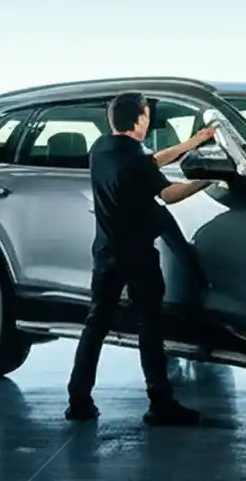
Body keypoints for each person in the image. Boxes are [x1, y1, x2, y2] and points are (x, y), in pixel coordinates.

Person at [65, 91, 218, 426]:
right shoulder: (136, 160)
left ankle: (78, 399)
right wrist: (208, 179)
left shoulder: (101, 150)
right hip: (137, 257)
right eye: (147, 114)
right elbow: (168, 193)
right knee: (150, 327)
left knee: (96, 325)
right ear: (140, 118)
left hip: (105, 252)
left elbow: (151, 161)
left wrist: (193, 142)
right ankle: (160, 403)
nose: (149, 119)